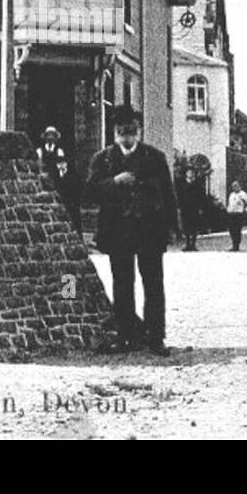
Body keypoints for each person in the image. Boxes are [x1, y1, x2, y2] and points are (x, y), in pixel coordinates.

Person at [84, 105, 178, 356]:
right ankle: (127, 336)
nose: (127, 137)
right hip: (118, 231)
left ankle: (155, 336)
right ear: (115, 133)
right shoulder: (103, 159)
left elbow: (168, 194)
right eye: (122, 132)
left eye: (132, 131)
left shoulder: (154, 157)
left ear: (139, 132)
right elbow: (90, 191)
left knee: (153, 284)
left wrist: (172, 226)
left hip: (149, 230)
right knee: (123, 283)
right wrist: (114, 182)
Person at [36, 125, 80, 235]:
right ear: (45, 138)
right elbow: (38, 165)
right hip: (44, 180)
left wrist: (61, 178)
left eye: (53, 136)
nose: (50, 138)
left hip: (56, 181)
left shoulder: (59, 151)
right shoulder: (39, 151)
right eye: (48, 136)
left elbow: (62, 167)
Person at [176, 167, 207, 252]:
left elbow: (202, 196)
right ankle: (187, 244)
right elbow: (179, 195)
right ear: (186, 174)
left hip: (194, 208)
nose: (190, 174)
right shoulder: (182, 183)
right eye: (189, 172)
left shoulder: (198, 184)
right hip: (185, 208)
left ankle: (193, 244)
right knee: (186, 226)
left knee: (194, 226)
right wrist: (179, 206)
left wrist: (201, 207)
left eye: (192, 172)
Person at [227, 181, 247, 252]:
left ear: (239, 186)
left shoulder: (243, 194)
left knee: (237, 230)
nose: (234, 188)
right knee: (231, 230)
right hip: (231, 214)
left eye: (236, 186)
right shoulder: (231, 194)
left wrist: (246, 210)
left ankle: (236, 246)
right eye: (233, 186)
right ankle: (233, 244)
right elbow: (230, 204)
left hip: (238, 214)